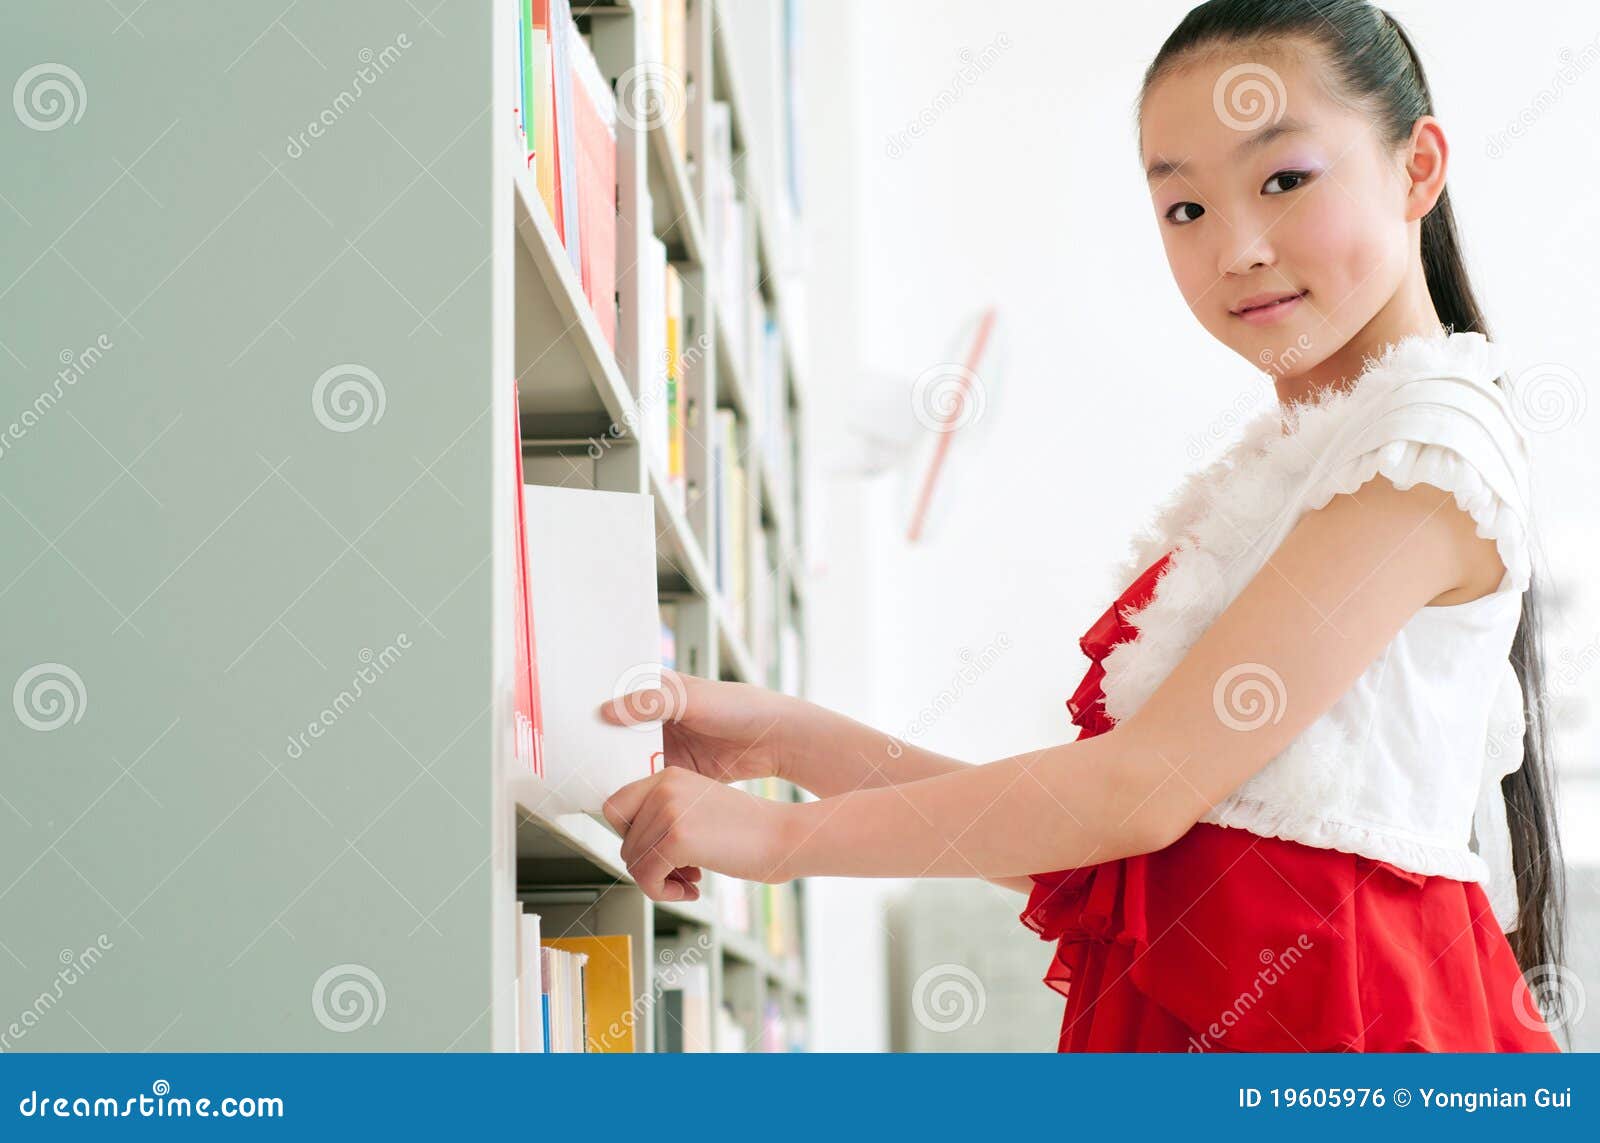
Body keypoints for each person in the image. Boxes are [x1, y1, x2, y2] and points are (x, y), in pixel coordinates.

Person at [598, 0, 1566, 1052]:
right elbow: (1120, 855)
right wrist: (790, 740)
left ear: (1416, 167)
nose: (1235, 246)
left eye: (1283, 179)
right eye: (1183, 208)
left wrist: (784, 837)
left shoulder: (1427, 446)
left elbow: (1137, 794)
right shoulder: (1299, 470)